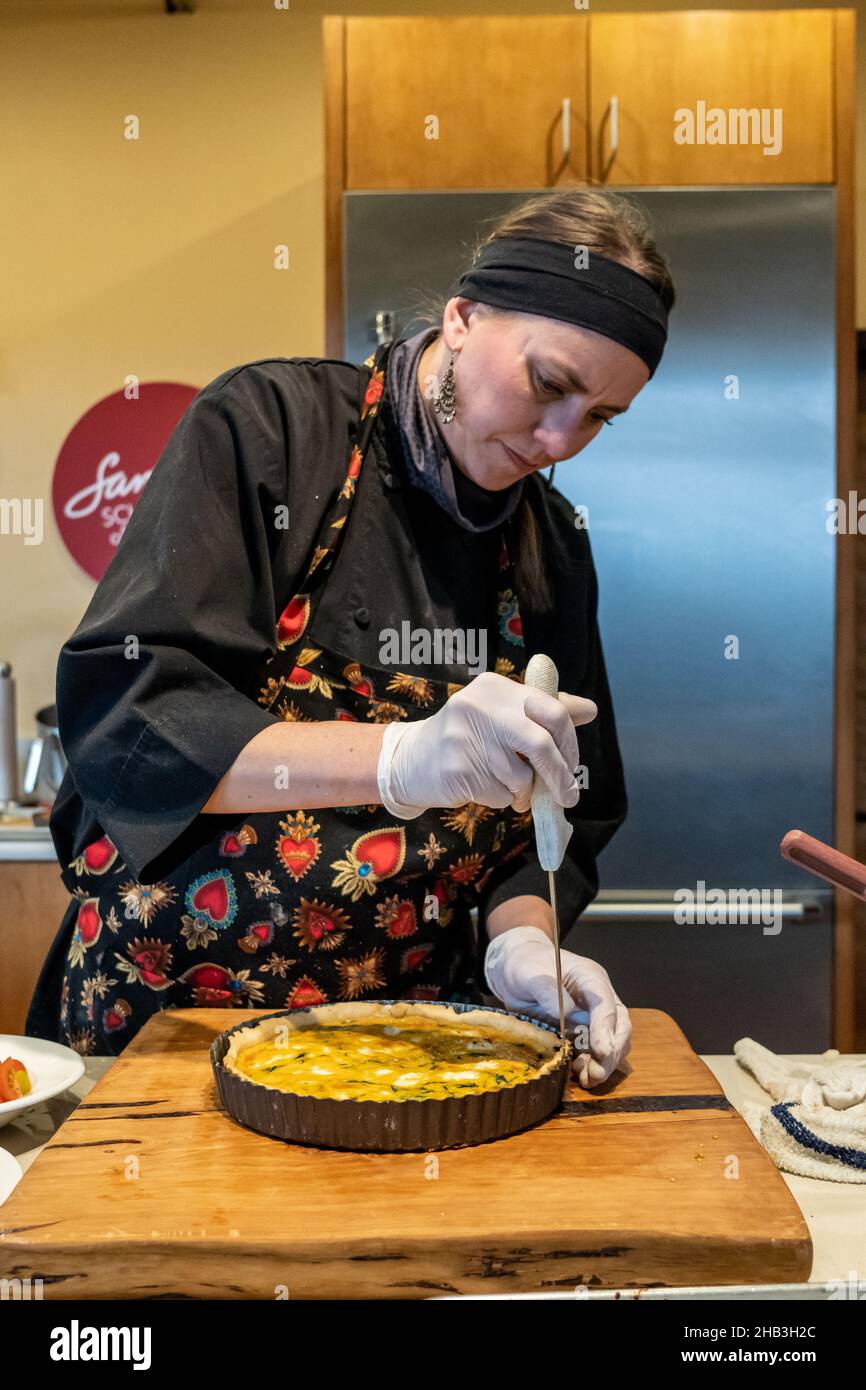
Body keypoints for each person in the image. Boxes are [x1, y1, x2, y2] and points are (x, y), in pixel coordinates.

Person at [26, 187, 675, 1087]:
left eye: (602, 416)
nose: (563, 440)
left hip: (411, 1058)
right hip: (169, 1038)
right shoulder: (271, 433)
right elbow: (134, 720)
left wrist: (521, 947)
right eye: (550, 384)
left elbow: (557, 817)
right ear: (461, 318)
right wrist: (402, 759)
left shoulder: (552, 544)